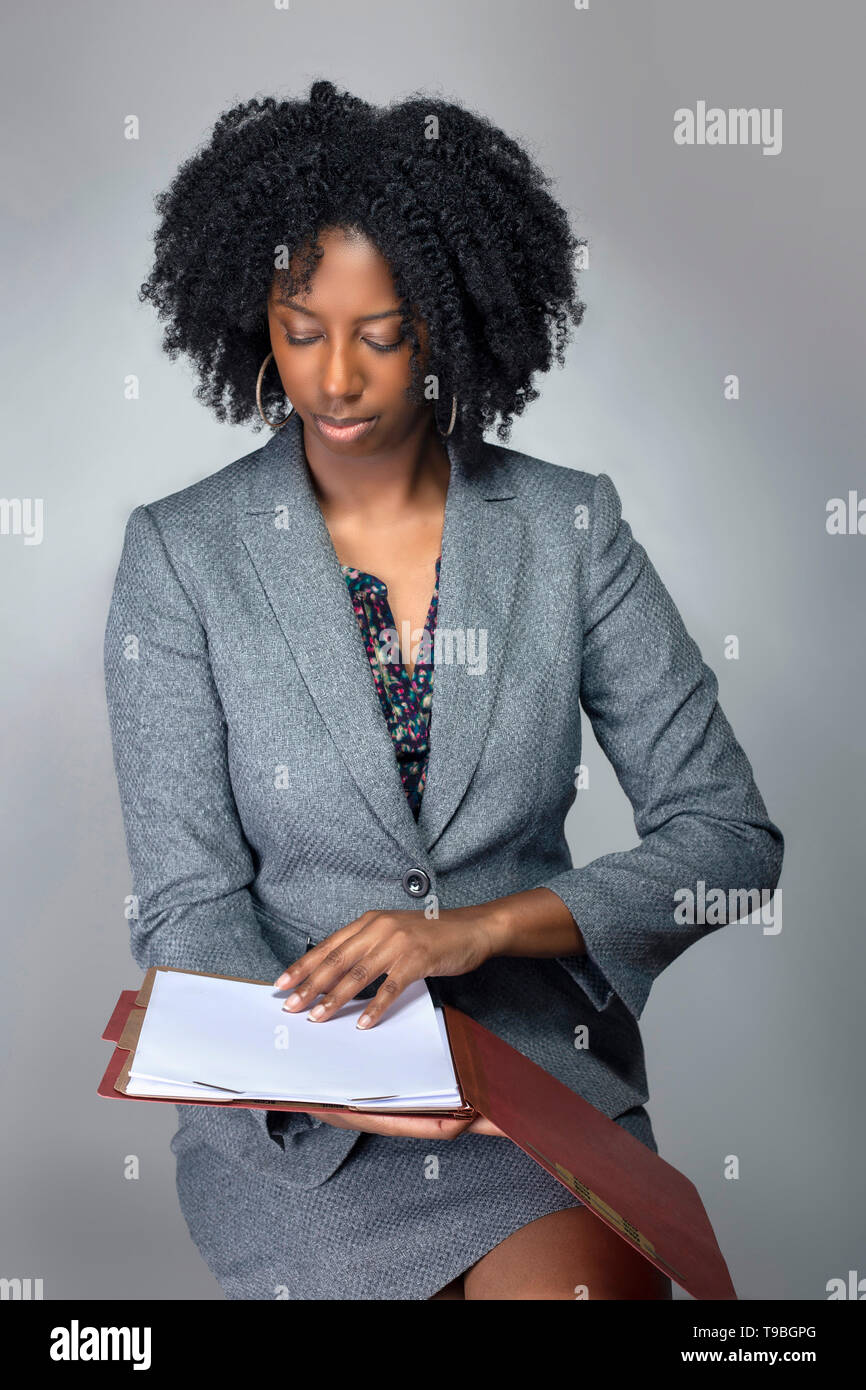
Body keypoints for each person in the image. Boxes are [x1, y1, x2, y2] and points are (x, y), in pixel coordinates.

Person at [103, 79, 784, 1301]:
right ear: (252, 316)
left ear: (453, 323)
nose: (336, 379)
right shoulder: (181, 554)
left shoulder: (568, 530)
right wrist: (330, 1075)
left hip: (527, 1090)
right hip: (303, 1122)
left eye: (385, 332)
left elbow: (726, 841)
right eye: (300, 327)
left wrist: (476, 928)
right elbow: (187, 902)